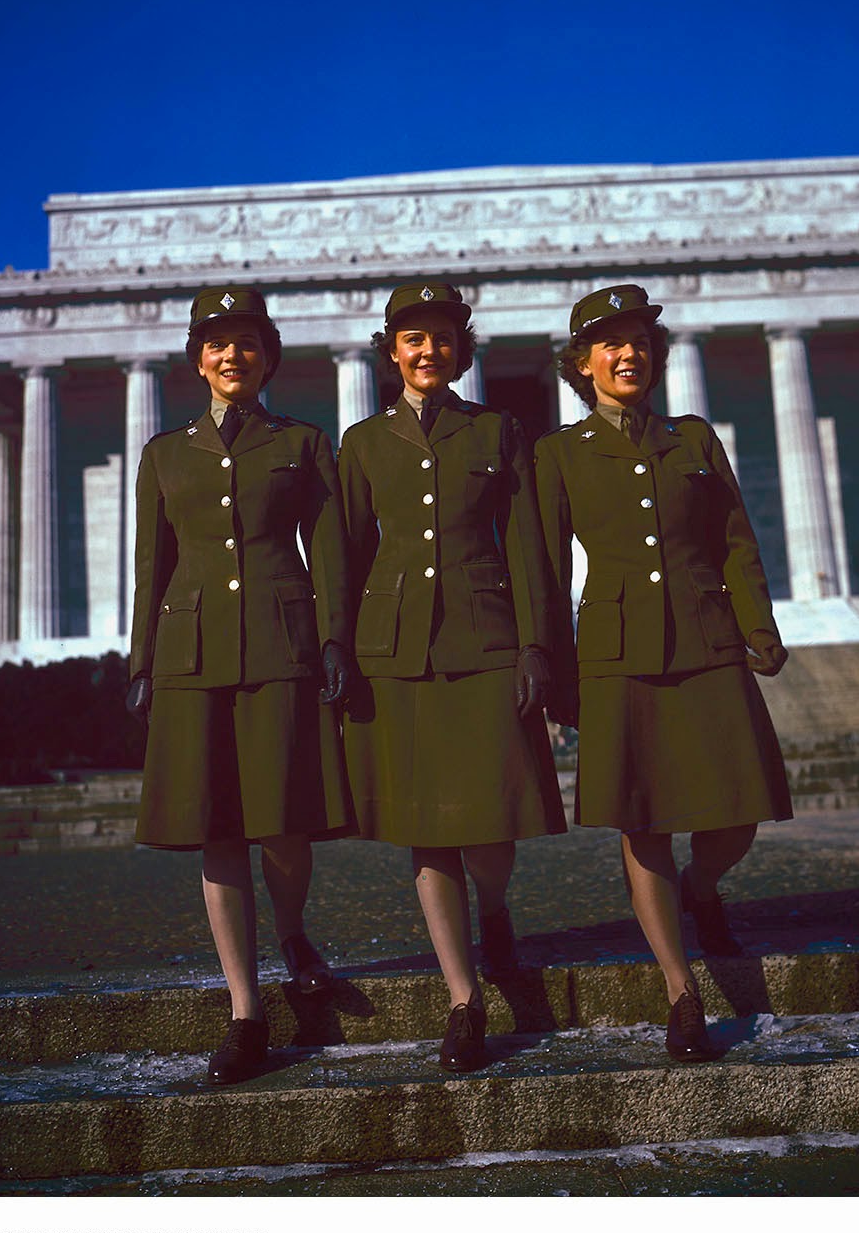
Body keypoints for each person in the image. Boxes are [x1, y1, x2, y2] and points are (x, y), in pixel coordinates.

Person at [535, 284, 792, 1062]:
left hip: (708, 637)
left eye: (639, 342)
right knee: (642, 822)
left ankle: (702, 889)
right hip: (616, 654)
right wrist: (554, 675)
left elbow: (733, 540)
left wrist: (759, 620)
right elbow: (547, 574)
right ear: (582, 364)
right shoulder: (559, 453)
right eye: (609, 345)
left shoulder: (693, 439)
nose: (627, 355)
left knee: (739, 810)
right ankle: (681, 991)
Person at [127, 286, 354, 1087]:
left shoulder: (301, 442)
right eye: (217, 344)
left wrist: (335, 640)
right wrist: (141, 662)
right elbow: (150, 566)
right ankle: (246, 1012)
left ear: (266, 358)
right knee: (217, 829)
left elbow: (328, 554)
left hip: (282, 645)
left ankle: (291, 930)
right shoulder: (164, 452)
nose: (232, 356)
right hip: (191, 657)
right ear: (198, 360)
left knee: (285, 822)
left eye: (247, 344)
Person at [338, 281, 566, 1072]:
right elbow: (348, 554)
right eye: (413, 339)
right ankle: (464, 998)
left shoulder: (500, 430)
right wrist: (339, 647)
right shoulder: (362, 443)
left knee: (492, 825)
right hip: (396, 655)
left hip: (486, 641)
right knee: (426, 832)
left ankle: (495, 907)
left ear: (459, 352)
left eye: (441, 339)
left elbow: (529, 547)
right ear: (392, 351)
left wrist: (538, 647)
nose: (427, 351)